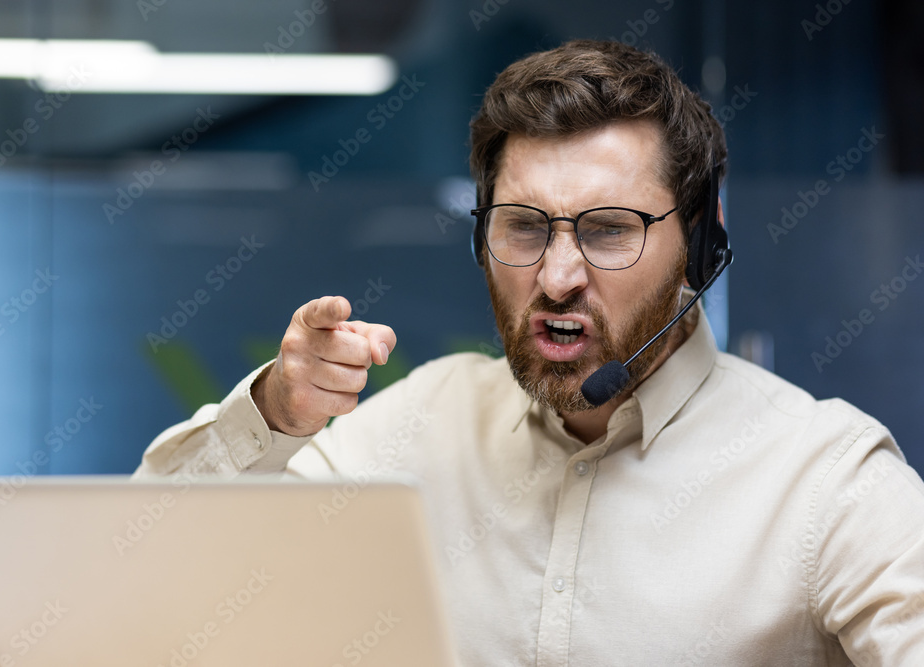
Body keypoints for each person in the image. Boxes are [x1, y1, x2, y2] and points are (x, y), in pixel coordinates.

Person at [134, 40, 924, 665]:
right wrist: (275, 414)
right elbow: (137, 571)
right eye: (523, 225)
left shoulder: (826, 482)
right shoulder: (417, 425)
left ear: (703, 242)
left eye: (609, 228)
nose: (556, 277)